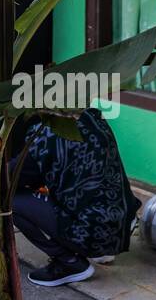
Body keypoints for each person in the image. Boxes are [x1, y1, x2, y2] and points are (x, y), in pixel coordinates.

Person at [12, 107, 140, 287]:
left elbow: (9, 179)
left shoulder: (42, 136)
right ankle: (106, 244)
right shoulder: (91, 115)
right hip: (121, 220)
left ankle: (70, 263)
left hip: (92, 232)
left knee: (12, 201)